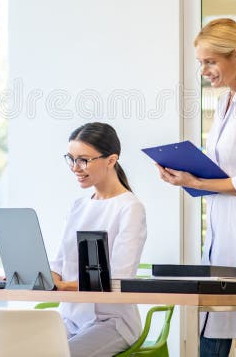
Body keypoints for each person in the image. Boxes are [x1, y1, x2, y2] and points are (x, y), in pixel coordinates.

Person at [156, 18, 236, 357]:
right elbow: (226, 167)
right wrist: (186, 174)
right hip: (222, 238)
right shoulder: (224, 102)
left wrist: (198, 181)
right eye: (201, 62)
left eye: (210, 61)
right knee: (212, 333)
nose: (204, 70)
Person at [50, 122, 148, 357]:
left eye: (83, 160)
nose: (75, 167)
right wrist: (40, 278)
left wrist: (65, 286)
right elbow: (58, 265)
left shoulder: (130, 207)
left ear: (111, 160)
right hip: (70, 319)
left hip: (112, 322)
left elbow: (119, 279)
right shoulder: (78, 206)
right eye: (71, 159)